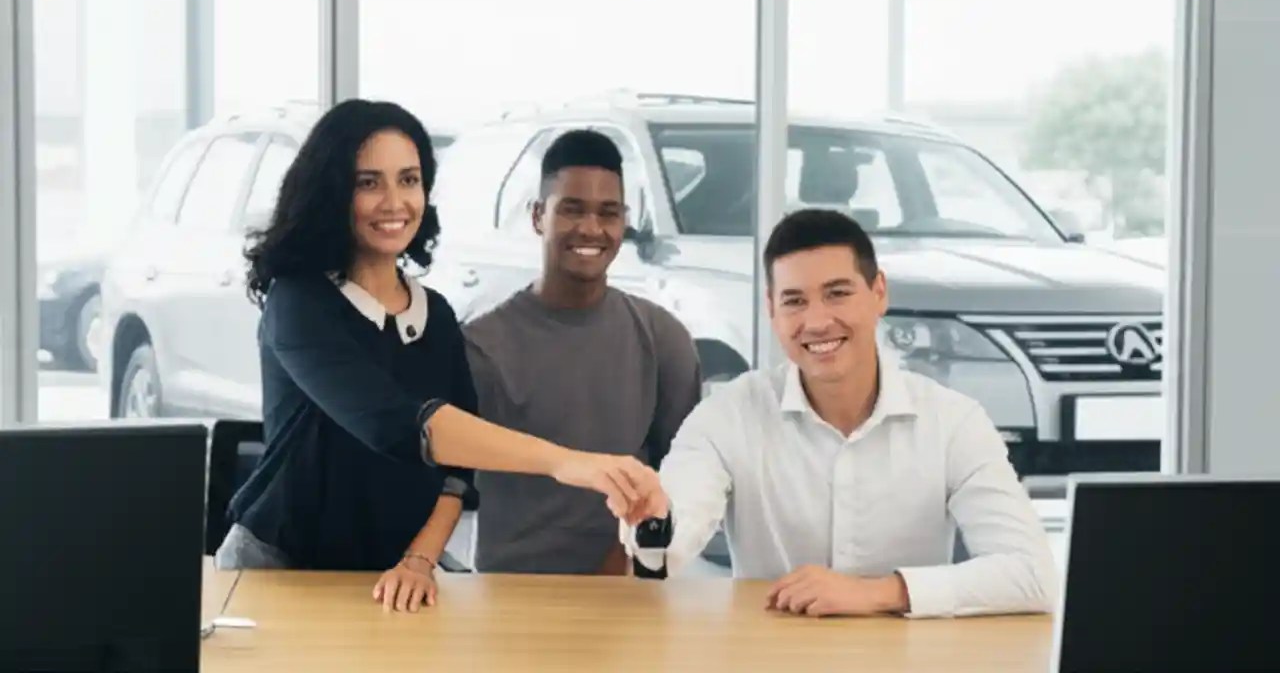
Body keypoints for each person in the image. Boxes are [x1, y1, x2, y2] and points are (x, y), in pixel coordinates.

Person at [216, 100, 661, 615]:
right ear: (331, 191)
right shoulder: (299, 302)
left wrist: (420, 560)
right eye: (369, 183)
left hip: (391, 578)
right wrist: (568, 463)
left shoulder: (438, 316)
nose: (394, 201)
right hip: (276, 571)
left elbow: (456, 474)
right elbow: (398, 426)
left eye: (409, 180)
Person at [621, 209, 1058, 618]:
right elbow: (669, 544)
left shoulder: (954, 421)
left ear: (878, 292)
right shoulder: (728, 414)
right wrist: (652, 522)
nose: (816, 321)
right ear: (772, 310)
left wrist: (876, 592)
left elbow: (1033, 575)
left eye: (837, 294)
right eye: (794, 301)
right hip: (770, 654)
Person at [465, 129, 701, 575]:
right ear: (538, 217)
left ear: (624, 221)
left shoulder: (663, 338)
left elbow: (682, 478)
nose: (591, 229)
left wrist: (628, 561)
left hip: (626, 591)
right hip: (508, 592)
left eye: (608, 213)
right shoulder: (482, 345)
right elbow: (451, 480)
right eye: (572, 210)